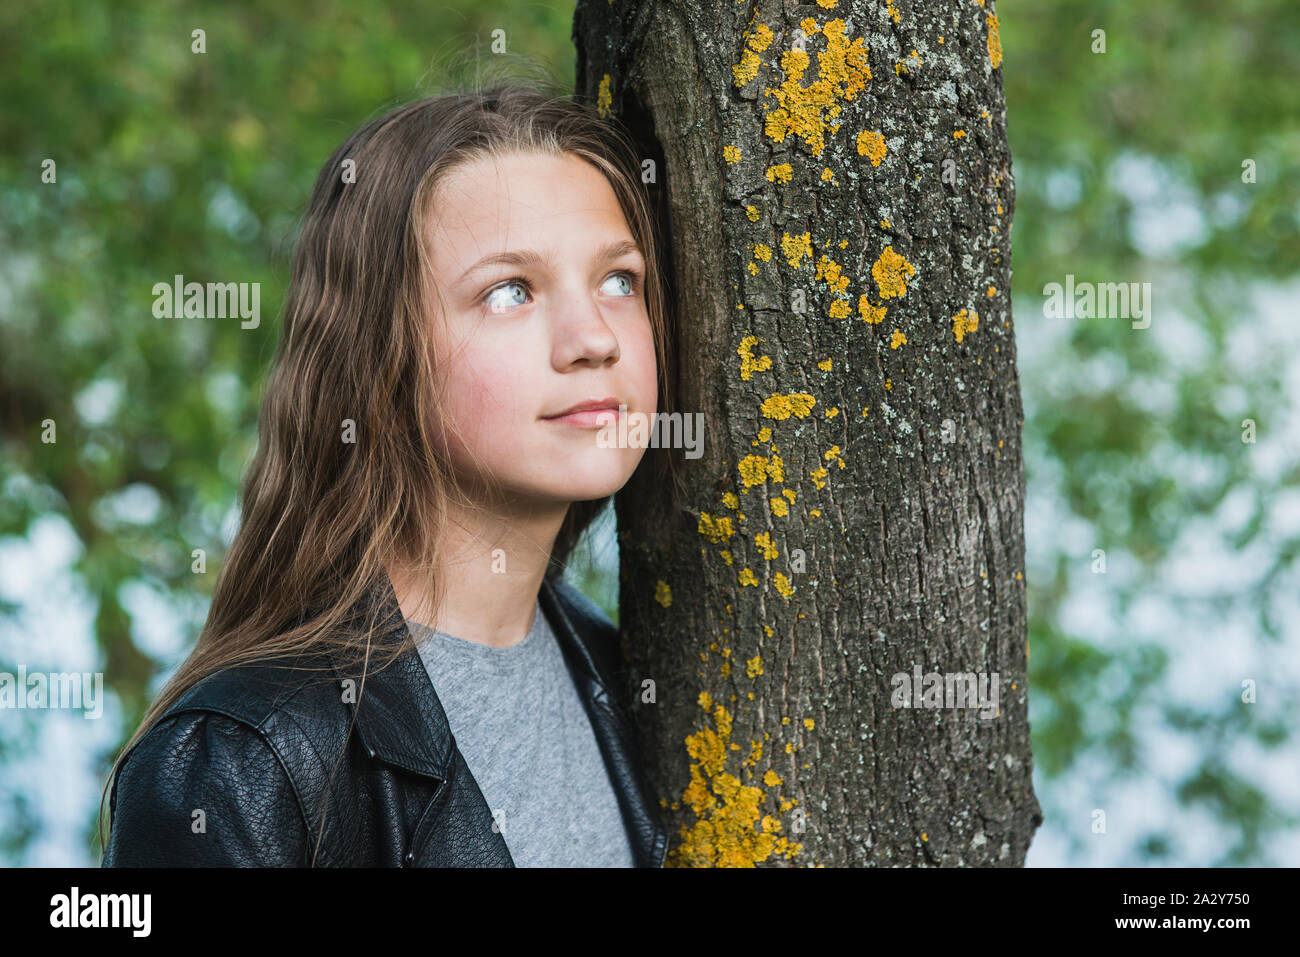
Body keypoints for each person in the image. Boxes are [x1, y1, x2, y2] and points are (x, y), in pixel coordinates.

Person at [100, 82, 679, 867]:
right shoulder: (238, 766)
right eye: (510, 291)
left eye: (619, 280)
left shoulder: (637, 679)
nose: (593, 339)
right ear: (381, 358)